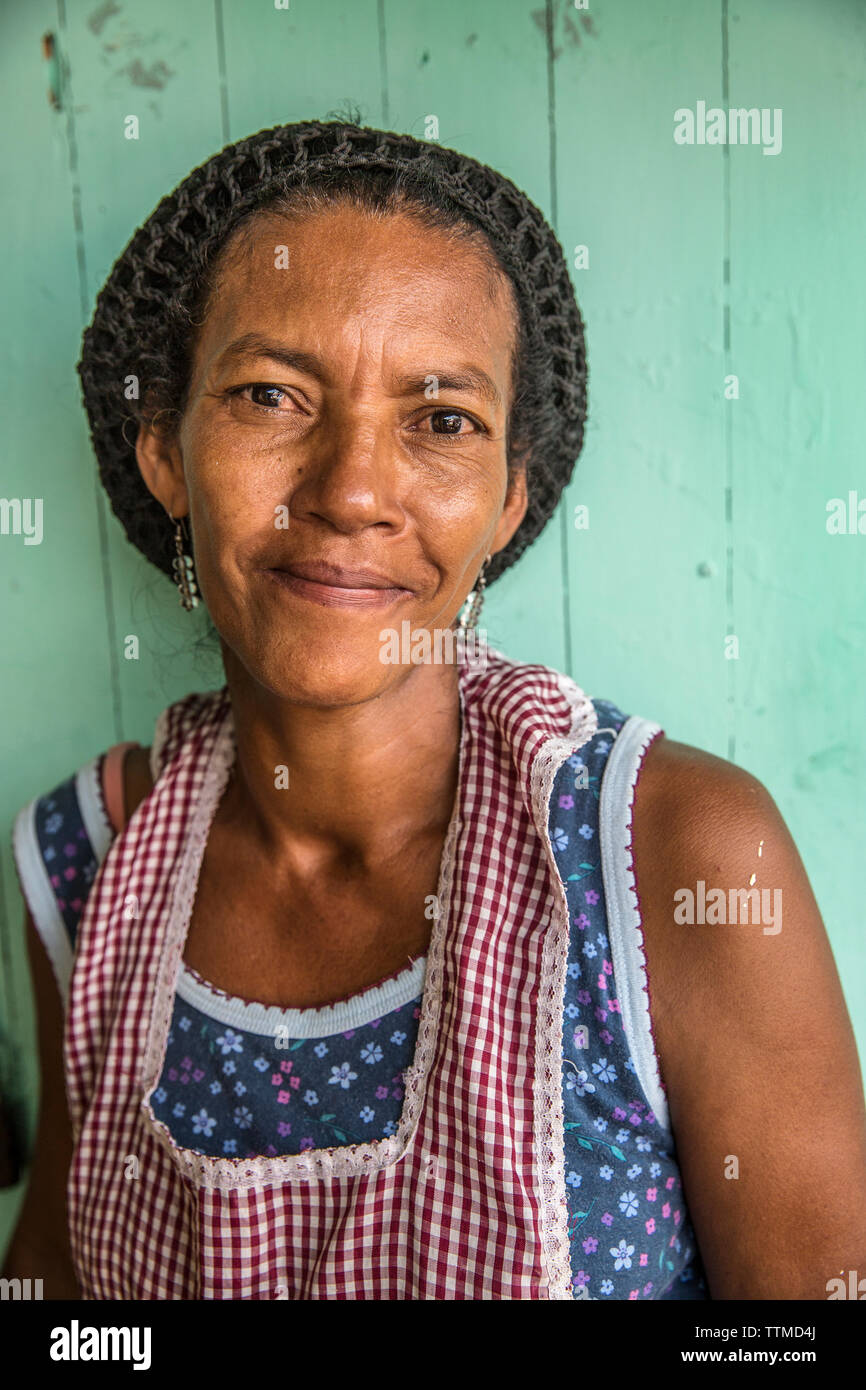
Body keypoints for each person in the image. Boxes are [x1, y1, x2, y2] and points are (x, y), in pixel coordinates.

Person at [4, 119, 865, 1301]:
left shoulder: (669, 851)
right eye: (269, 394)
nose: (352, 489)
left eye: (441, 418)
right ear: (164, 449)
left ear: (508, 498)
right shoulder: (86, 859)